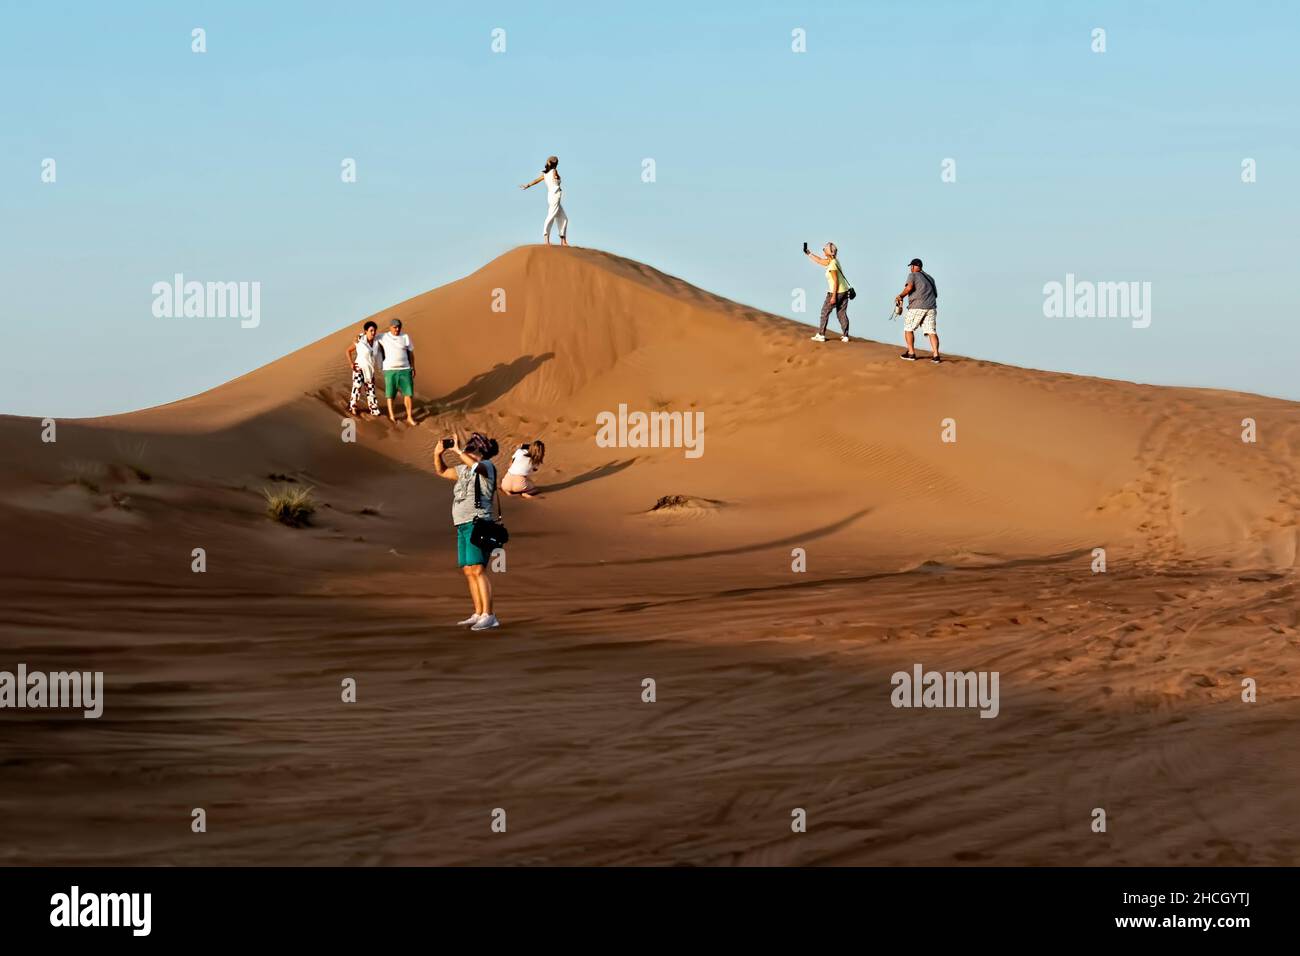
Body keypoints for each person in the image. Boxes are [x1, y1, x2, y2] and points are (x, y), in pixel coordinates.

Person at [435, 430, 502, 631]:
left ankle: (489, 615)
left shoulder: (487, 466)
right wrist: (438, 454)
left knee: (478, 569)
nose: (467, 451)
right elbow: (442, 471)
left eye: (470, 449)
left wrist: (456, 450)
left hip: (478, 523)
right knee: (469, 570)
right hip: (462, 524)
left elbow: (476, 466)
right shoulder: (464, 469)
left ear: (479, 452)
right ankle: (479, 612)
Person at [803, 241, 852, 342]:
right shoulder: (834, 261)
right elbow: (820, 261)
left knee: (824, 312)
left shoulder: (832, 264)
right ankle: (845, 336)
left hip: (836, 292)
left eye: (824, 249)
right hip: (844, 291)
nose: (823, 250)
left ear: (829, 252)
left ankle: (821, 335)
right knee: (841, 313)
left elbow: (836, 282)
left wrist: (833, 296)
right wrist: (809, 253)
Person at [894, 258, 940, 363]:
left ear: (914, 267)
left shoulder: (912, 275)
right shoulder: (930, 278)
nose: (911, 268)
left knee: (908, 328)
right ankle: (936, 355)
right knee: (931, 331)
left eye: (911, 266)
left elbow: (909, 287)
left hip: (917, 307)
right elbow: (935, 294)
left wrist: (900, 296)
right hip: (931, 307)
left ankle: (911, 353)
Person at [520, 155, 569, 246]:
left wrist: (527, 185)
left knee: (564, 218)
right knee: (551, 216)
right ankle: (546, 237)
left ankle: (563, 240)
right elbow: (556, 178)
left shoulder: (545, 174)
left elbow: (536, 180)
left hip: (552, 196)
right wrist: (556, 177)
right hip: (555, 196)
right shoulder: (554, 171)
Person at [377, 318, 417, 424]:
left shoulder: (405, 337)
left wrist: (413, 367)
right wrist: (358, 338)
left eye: (399, 327)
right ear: (390, 327)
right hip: (390, 370)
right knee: (390, 394)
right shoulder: (383, 336)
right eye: (395, 327)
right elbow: (369, 336)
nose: (397, 329)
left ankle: (409, 417)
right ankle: (392, 416)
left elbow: (411, 353)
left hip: (405, 369)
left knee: (408, 393)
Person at [345, 320, 382, 417]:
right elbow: (348, 351)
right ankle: (353, 407)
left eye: (374, 330)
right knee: (357, 386)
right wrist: (351, 364)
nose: (373, 332)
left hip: (369, 371)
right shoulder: (360, 340)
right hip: (359, 368)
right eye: (371, 330)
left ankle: (374, 409)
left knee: (371, 390)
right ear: (366, 331)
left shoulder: (377, 341)